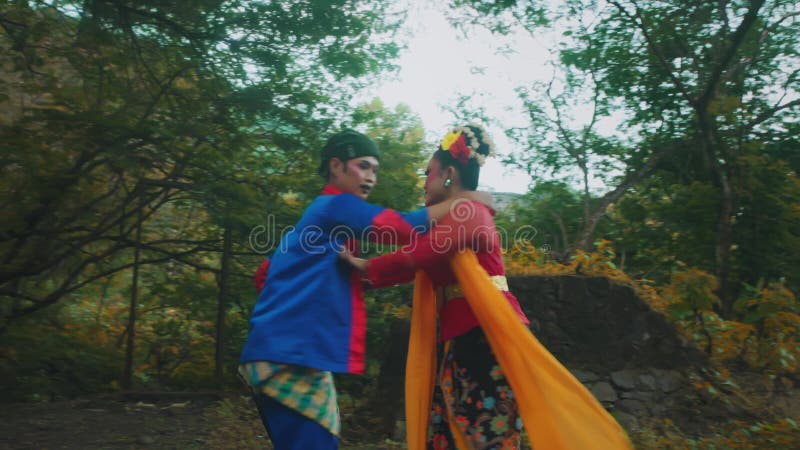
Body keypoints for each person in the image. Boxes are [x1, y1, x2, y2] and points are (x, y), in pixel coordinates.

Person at [239, 129, 491, 450]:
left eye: (375, 170)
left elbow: (265, 275)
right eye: (363, 166)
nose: (371, 177)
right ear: (336, 166)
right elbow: (402, 227)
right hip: (289, 355)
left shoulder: (324, 219)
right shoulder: (335, 206)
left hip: (283, 352)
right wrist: (463, 202)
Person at [341, 124, 530, 449]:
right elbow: (414, 253)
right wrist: (365, 278)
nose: (424, 180)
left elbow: (421, 253)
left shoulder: (470, 212)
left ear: (449, 173)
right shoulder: (455, 215)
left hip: (488, 334)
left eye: (428, 172)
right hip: (465, 335)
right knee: (453, 433)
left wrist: (365, 266)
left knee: (484, 434)